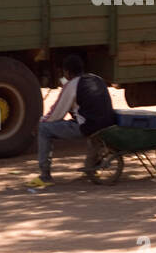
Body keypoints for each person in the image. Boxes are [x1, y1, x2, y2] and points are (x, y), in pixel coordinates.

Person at [35, 54, 116, 183]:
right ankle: (91, 168)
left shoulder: (72, 85)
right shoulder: (97, 79)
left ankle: (45, 175)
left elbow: (56, 114)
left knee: (44, 129)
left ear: (66, 72)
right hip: (107, 124)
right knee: (90, 123)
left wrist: (42, 121)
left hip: (88, 126)